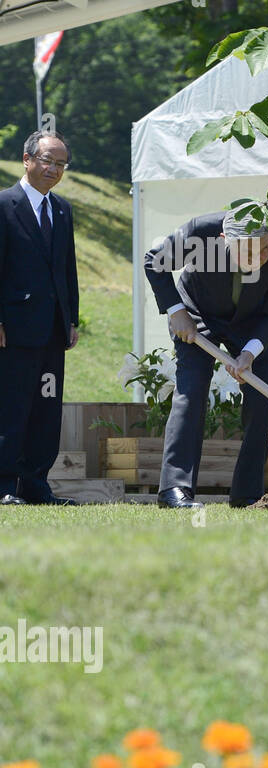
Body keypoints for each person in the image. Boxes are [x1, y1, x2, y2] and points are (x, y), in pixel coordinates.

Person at [143, 208, 268, 508]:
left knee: (264, 399)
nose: (261, 257)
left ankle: (247, 494)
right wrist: (176, 312)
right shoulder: (201, 231)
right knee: (192, 392)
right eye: (250, 251)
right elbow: (154, 260)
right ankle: (175, 489)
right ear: (225, 240)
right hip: (197, 314)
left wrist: (250, 352)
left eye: (265, 248)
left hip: (255, 323)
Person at [0, 130, 80, 506]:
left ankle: (36, 483)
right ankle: (4, 484)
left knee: (46, 409)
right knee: (11, 407)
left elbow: (68, 269)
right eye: (47, 160)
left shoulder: (62, 209)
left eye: (61, 164)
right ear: (27, 159)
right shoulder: (4, 205)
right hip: (13, 331)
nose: (53, 169)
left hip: (52, 330)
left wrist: (72, 319)